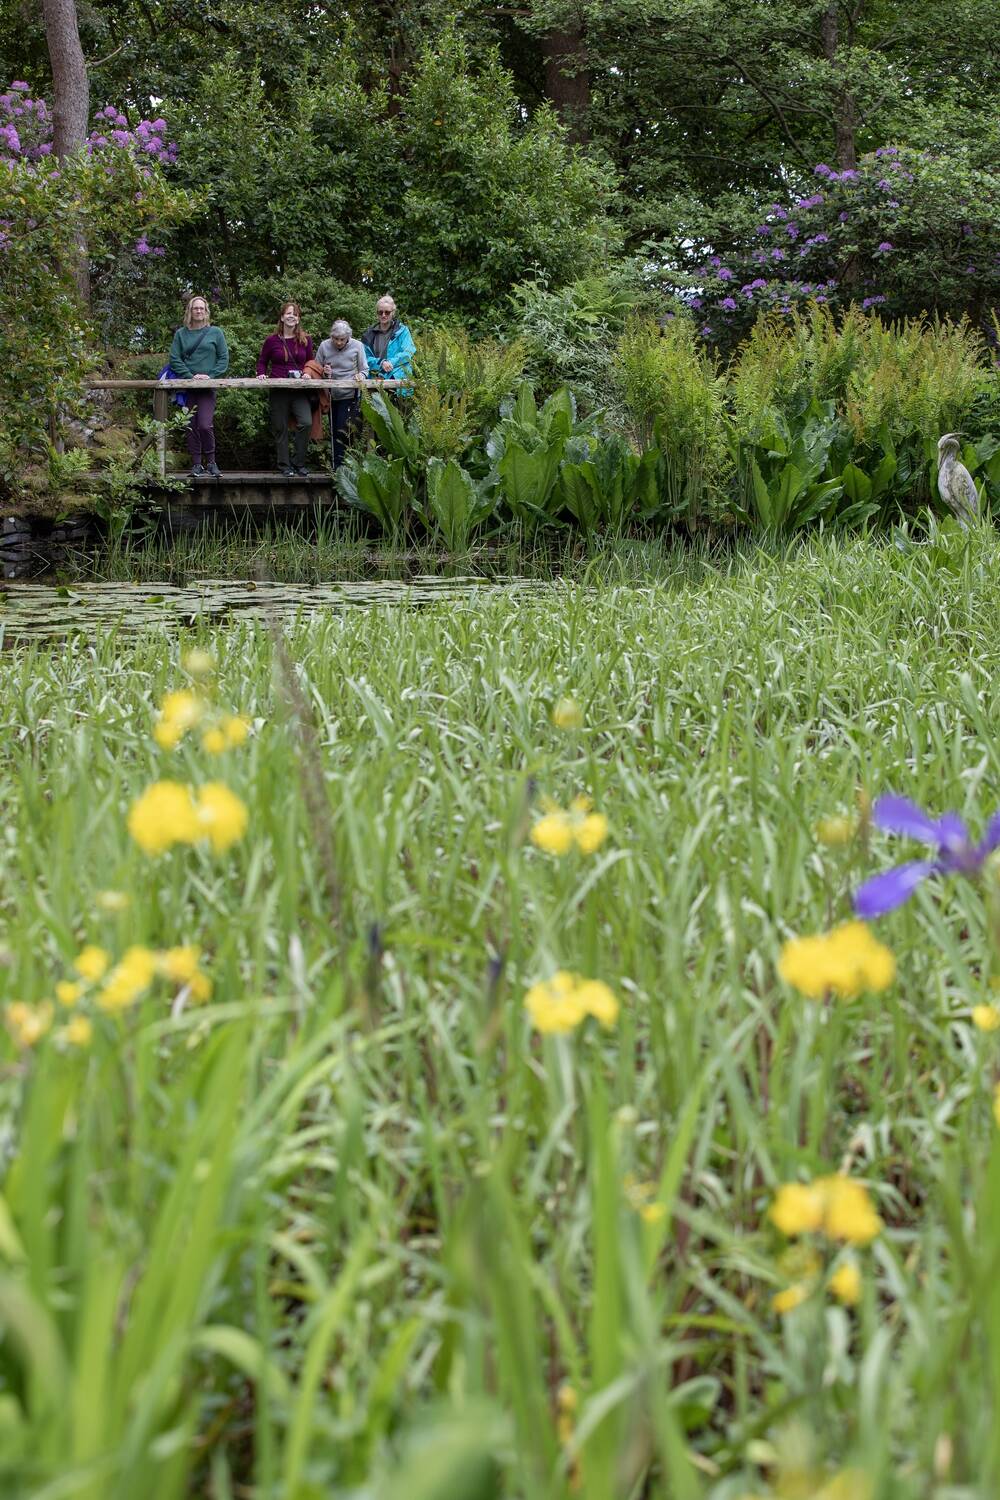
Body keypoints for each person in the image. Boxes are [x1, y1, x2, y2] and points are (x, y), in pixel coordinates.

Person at [168, 294, 229, 478]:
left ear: (206, 311)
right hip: (188, 386)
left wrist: (210, 376)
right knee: (190, 425)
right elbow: (175, 359)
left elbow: (223, 359)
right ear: (190, 311)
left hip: (208, 387)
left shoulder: (216, 333)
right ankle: (196, 464)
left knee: (204, 425)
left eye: (202, 308)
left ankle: (211, 462)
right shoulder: (181, 334)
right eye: (195, 308)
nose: (199, 311)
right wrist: (190, 376)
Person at [256, 302, 315, 476]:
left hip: (299, 389)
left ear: (298, 319)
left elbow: (310, 362)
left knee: (306, 422)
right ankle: (284, 465)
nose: (291, 317)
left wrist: (308, 373)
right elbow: (262, 361)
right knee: (280, 428)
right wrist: (261, 374)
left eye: (295, 314)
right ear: (282, 317)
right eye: (288, 313)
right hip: (278, 388)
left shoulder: (305, 339)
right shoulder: (271, 340)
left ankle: (298, 463)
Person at [315, 318, 367, 469]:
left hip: (350, 395)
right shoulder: (324, 346)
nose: (338, 342)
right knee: (333, 431)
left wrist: (361, 376)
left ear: (348, 337)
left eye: (342, 339)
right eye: (335, 339)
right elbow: (316, 368)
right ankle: (336, 466)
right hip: (331, 395)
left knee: (343, 430)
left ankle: (344, 466)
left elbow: (365, 369)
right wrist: (324, 372)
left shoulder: (357, 346)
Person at [361, 296, 415, 387]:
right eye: (380, 312)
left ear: (393, 313)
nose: (383, 315)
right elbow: (364, 357)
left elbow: (408, 352)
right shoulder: (368, 334)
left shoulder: (403, 331)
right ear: (377, 313)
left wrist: (390, 363)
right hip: (375, 379)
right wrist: (381, 363)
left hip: (399, 378)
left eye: (387, 312)